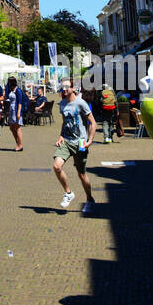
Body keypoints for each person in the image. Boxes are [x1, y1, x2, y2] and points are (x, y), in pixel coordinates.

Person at [53, 84, 97, 214]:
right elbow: (64, 122)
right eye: (62, 87)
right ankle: (68, 193)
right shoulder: (62, 104)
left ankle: (89, 199)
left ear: (73, 88)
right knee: (57, 166)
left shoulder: (81, 103)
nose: (64, 89)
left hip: (81, 143)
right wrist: (61, 135)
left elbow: (93, 122)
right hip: (66, 141)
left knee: (81, 174)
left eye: (67, 87)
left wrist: (90, 140)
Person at [5, 76, 26, 150]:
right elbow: (6, 96)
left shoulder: (18, 90)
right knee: (11, 127)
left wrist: (18, 112)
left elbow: (20, 102)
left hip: (16, 109)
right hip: (11, 109)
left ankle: (20, 145)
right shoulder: (11, 90)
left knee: (17, 127)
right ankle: (18, 143)